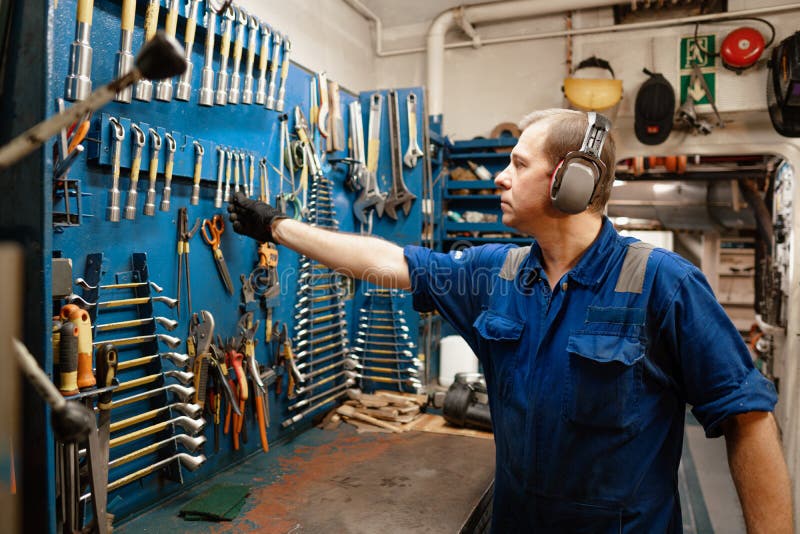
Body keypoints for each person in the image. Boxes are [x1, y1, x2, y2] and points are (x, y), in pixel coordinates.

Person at [228, 108, 793, 533]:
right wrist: (279, 227)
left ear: (571, 183)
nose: (500, 177)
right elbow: (387, 262)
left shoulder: (664, 285)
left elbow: (748, 419)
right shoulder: (493, 273)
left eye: (518, 164)